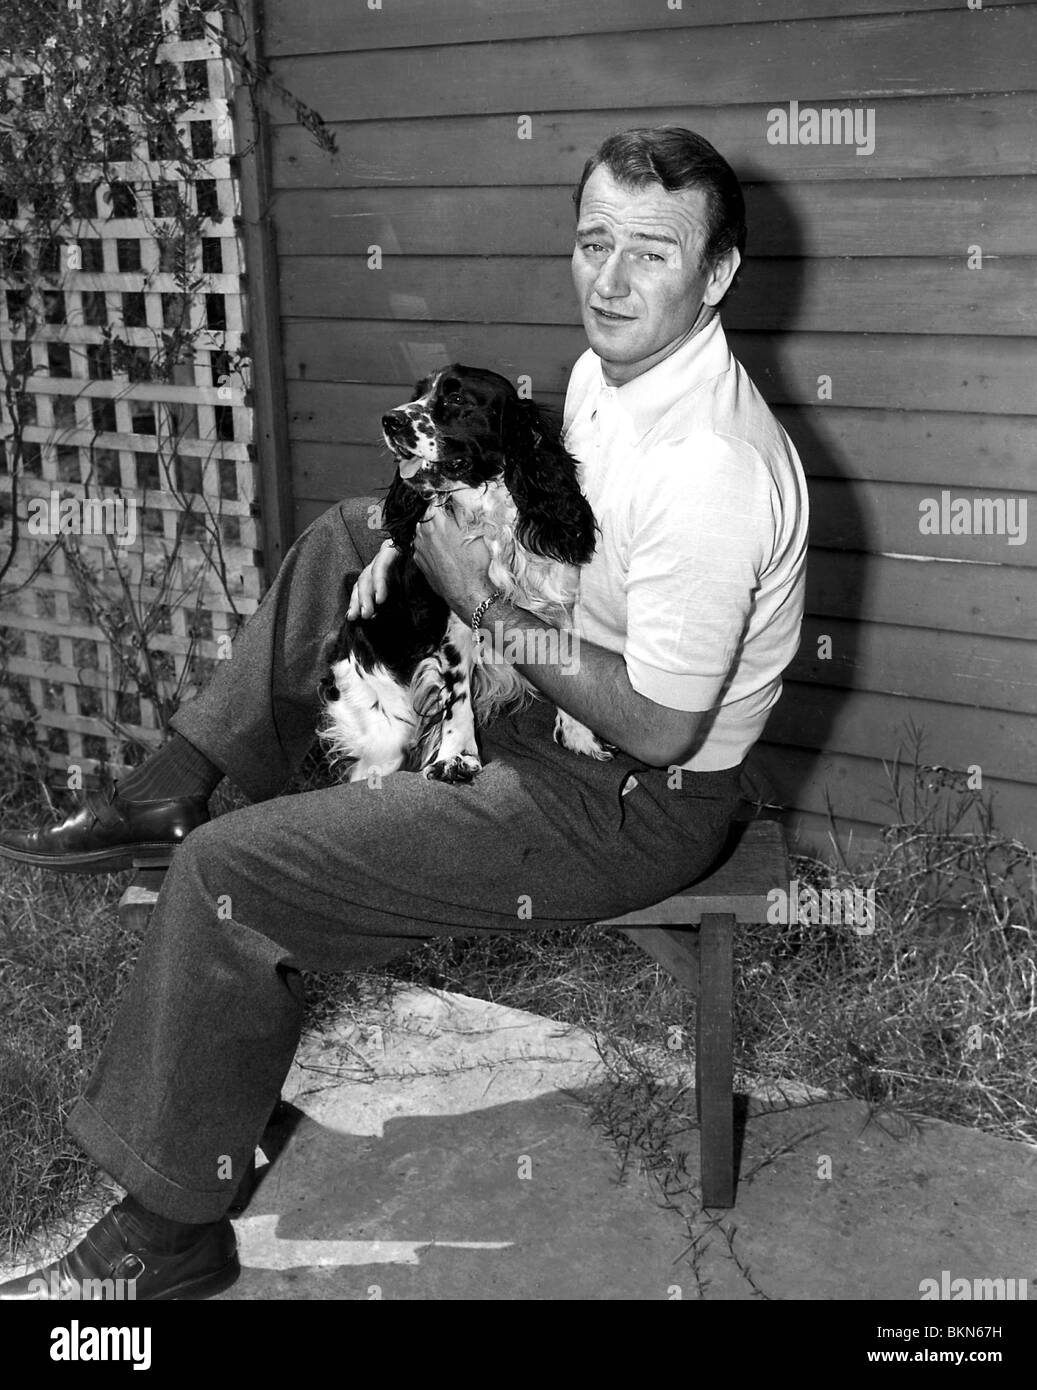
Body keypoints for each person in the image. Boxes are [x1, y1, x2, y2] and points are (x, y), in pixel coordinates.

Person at [0, 127, 808, 1300]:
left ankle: (169, 1237)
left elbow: (657, 725)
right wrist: (458, 550)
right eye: (593, 243)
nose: (611, 281)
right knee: (350, 534)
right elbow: (559, 536)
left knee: (232, 880)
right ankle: (177, 778)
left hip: (625, 794)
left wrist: (480, 597)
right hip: (555, 697)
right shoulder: (612, 372)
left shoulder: (711, 466)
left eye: (652, 253)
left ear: (718, 274)